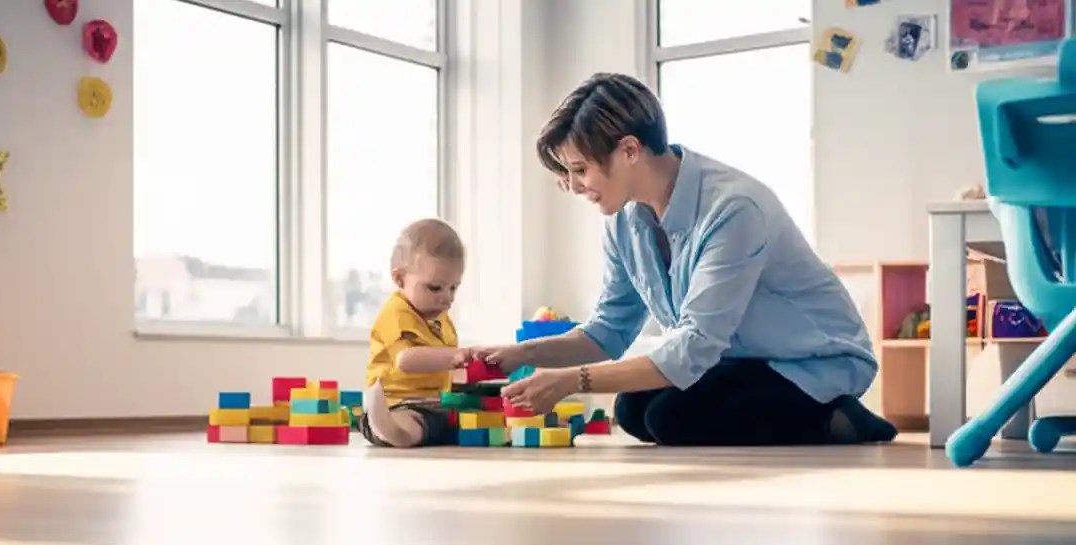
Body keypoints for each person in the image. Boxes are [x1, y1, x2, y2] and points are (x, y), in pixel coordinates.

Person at [469, 72, 896, 446]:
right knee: (634, 410)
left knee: (670, 417)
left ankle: (838, 419)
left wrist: (570, 381)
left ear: (630, 150)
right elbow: (608, 331)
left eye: (580, 170)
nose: (574, 186)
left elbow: (692, 348)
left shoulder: (733, 208)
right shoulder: (624, 219)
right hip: (739, 361)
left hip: (812, 361)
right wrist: (514, 355)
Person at [361, 218, 474, 448]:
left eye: (454, 287)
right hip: (398, 404)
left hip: (436, 405)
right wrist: (455, 357)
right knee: (413, 424)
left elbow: (444, 370)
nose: (447, 297)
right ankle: (392, 431)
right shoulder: (396, 312)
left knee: (472, 419)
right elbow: (406, 359)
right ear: (400, 278)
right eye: (435, 287)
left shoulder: (440, 318)